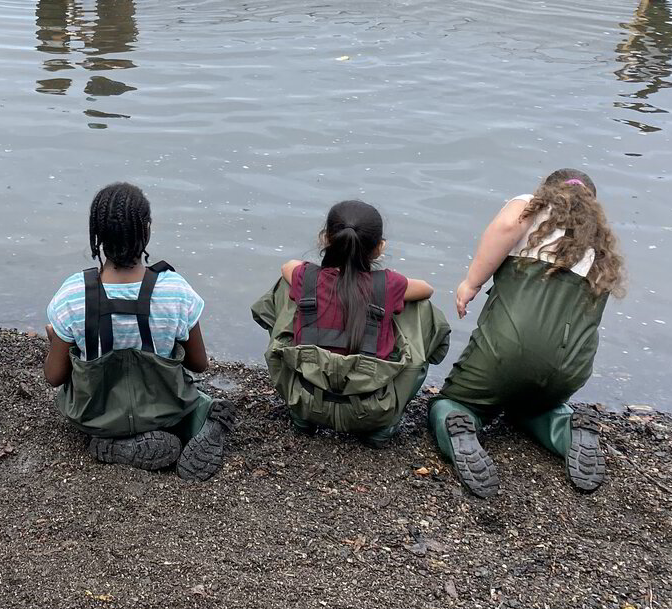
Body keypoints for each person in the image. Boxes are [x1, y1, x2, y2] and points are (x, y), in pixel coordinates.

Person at [429, 169, 625, 498]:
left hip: (506, 356)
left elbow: (506, 227)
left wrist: (471, 283)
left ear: (546, 192)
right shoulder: (601, 252)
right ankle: (566, 429)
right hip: (569, 370)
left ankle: (458, 423)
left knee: (452, 403)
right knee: (533, 408)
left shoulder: (531, 209)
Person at [42, 182, 234, 480]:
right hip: (165, 410)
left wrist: (57, 340)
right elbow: (199, 364)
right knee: (203, 402)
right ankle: (198, 427)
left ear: (98, 235)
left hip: (95, 416)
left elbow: (54, 377)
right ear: (147, 229)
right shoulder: (175, 290)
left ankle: (112, 444)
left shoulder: (72, 294)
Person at [252, 200, 450, 441]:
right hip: (373, 409)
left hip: (305, 398)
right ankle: (379, 428)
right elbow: (427, 289)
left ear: (324, 238)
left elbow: (287, 267)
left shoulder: (306, 277)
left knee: (286, 288)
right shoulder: (388, 285)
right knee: (419, 307)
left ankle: (302, 416)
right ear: (379, 248)